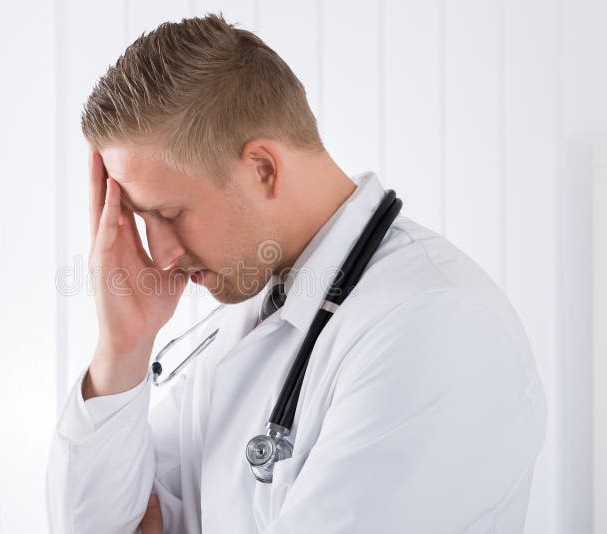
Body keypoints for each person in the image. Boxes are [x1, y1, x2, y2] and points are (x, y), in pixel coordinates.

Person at [46, 13, 547, 534]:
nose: (162, 254)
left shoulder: (434, 326)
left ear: (263, 167)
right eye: (144, 219)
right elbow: (99, 525)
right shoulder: (247, 318)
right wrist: (123, 346)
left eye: (169, 215)